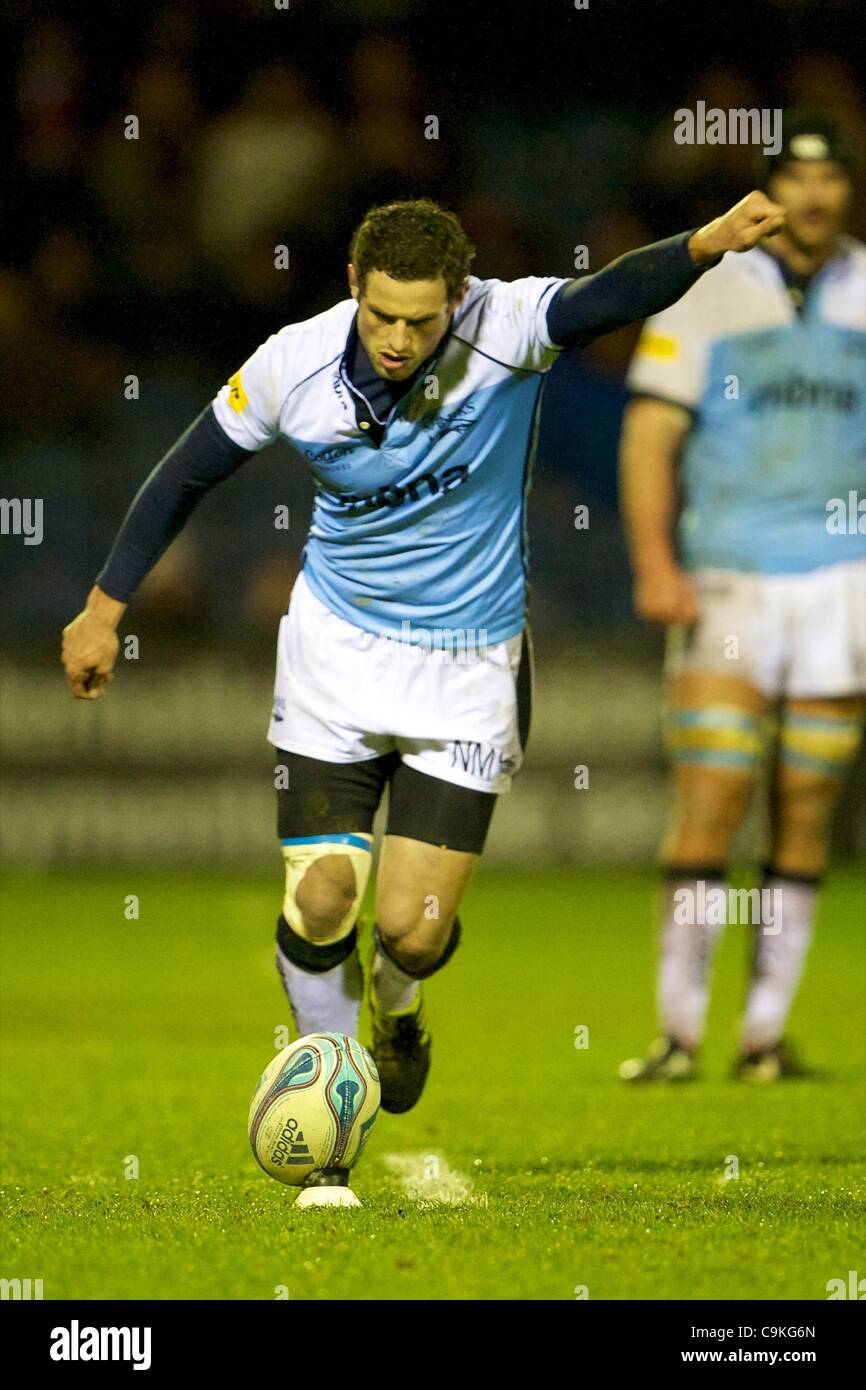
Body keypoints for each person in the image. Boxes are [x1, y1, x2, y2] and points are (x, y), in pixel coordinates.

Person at [62, 193, 784, 1176]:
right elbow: (186, 471)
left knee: (410, 927)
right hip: (335, 657)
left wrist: (699, 246)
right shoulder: (291, 365)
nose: (399, 338)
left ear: (458, 294)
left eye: (422, 318)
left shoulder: (507, 325)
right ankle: (331, 1137)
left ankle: (397, 1008)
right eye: (381, 315)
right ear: (352, 287)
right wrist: (106, 605)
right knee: (321, 898)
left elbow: (609, 296)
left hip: (466, 667)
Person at [619, 115, 864, 1083]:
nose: (811, 195)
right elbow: (648, 434)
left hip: (842, 581)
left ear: (844, 192)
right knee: (712, 796)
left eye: (828, 178)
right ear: (768, 188)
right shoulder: (706, 292)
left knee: (803, 804)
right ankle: (677, 1032)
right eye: (794, 177)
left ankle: (760, 1036)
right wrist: (652, 563)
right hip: (727, 574)